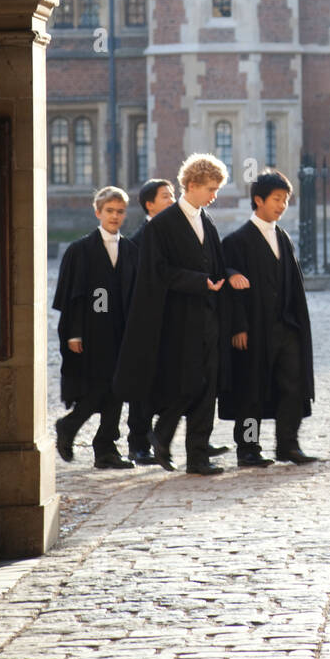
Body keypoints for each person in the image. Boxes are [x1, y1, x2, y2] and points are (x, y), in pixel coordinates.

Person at [113, 153, 249, 476]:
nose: (215, 195)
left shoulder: (207, 220)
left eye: (217, 189)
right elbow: (156, 272)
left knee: (209, 384)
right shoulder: (162, 226)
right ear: (191, 185)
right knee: (188, 383)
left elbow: (215, 262)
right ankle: (162, 435)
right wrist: (199, 281)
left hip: (209, 317)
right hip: (177, 318)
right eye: (211, 189)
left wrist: (227, 273)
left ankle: (197, 456)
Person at [219, 170, 317, 466]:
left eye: (285, 200)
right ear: (258, 200)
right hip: (254, 329)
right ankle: (248, 448)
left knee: (293, 385)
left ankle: (288, 444)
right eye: (276, 199)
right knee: (252, 389)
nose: (282, 205)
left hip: (286, 327)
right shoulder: (237, 241)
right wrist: (238, 327)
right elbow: (227, 286)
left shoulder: (284, 238)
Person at [53, 186, 138, 470]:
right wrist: (74, 332)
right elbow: (73, 296)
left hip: (121, 333)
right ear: (97, 212)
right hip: (91, 332)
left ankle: (105, 450)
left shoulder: (129, 250)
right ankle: (69, 424)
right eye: (109, 211)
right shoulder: (81, 250)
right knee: (99, 386)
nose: (115, 217)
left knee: (118, 389)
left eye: (120, 212)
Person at [125, 177, 175, 464]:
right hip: (146, 325)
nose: (171, 200)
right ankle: (138, 444)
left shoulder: (174, 236)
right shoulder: (136, 242)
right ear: (149, 204)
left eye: (172, 195)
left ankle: (162, 441)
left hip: (172, 322)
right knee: (142, 387)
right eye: (165, 196)